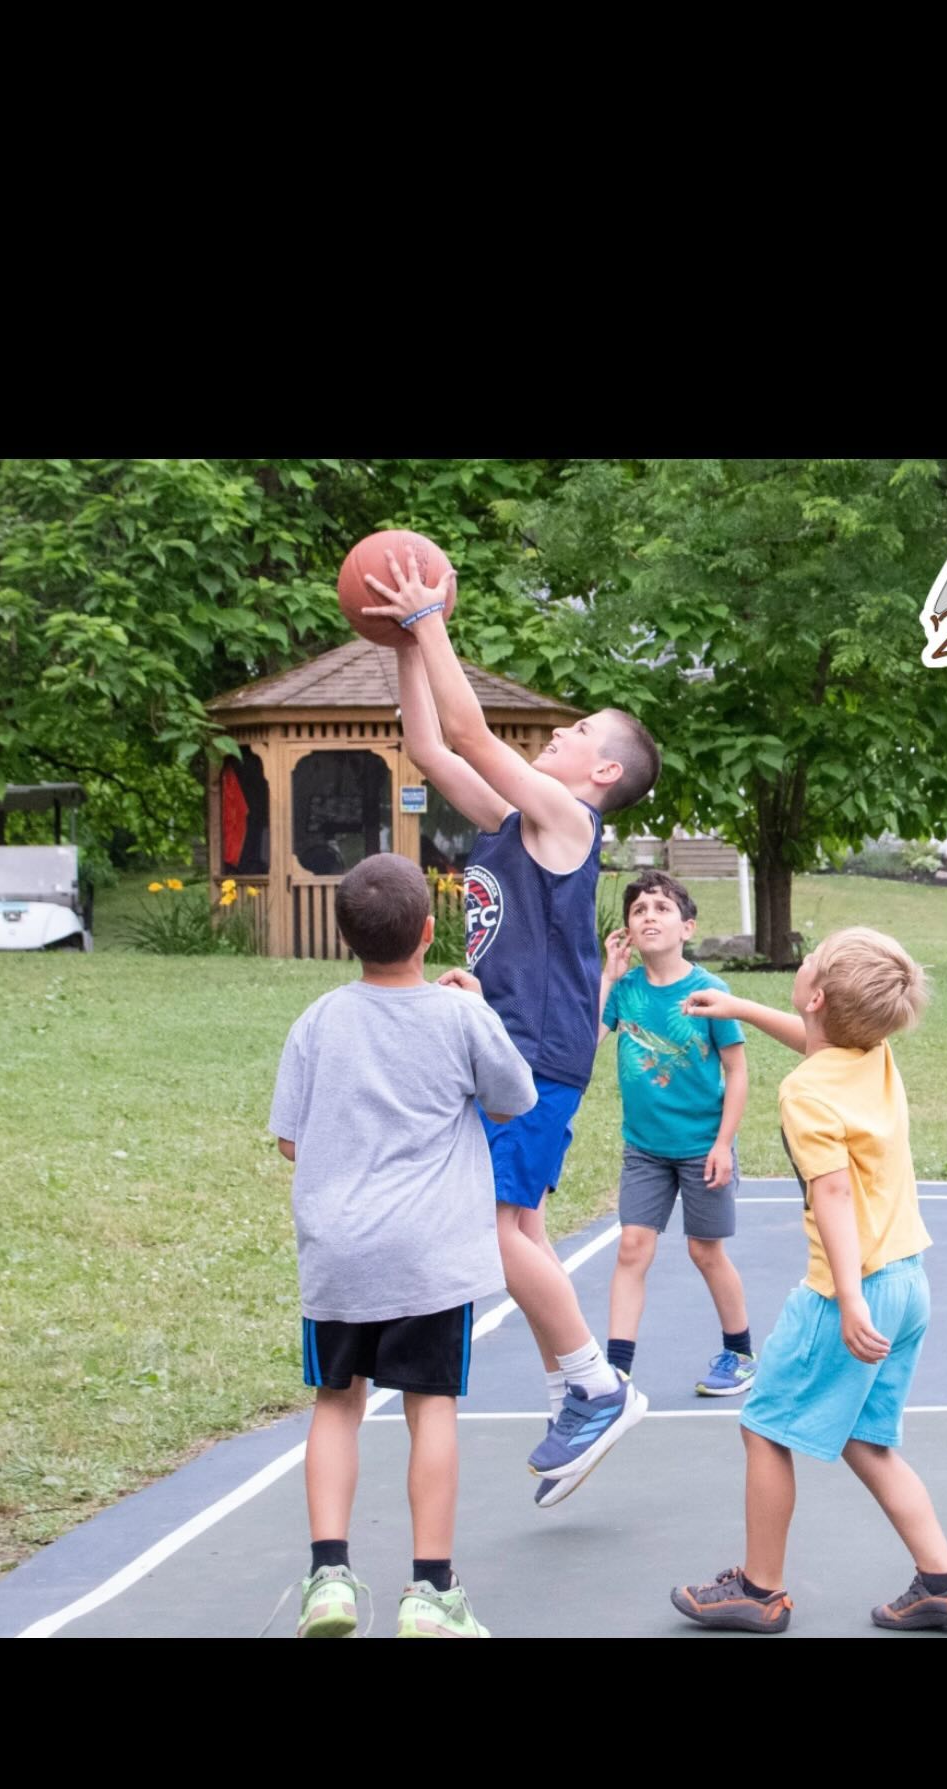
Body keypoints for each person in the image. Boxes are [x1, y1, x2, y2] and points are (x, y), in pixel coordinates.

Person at [363, 548, 662, 1509]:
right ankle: (568, 1392)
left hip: (535, 1049)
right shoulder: (514, 822)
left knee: (490, 1228)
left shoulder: (569, 823)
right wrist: (402, 644)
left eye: (574, 731)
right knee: (518, 1224)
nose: (558, 735)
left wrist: (427, 617)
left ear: (601, 770)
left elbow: (469, 726)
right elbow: (431, 748)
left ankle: (594, 1384)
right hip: (512, 1044)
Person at [670, 928, 947, 1634]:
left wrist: (844, 1297)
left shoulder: (804, 1093)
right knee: (865, 1438)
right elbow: (819, 1044)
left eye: (809, 960)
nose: (804, 960)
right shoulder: (873, 1056)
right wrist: (744, 1009)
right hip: (907, 1283)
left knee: (763, 1426)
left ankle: (759, 1588)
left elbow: (834, 1195)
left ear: (812, 995)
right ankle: (944, 1581)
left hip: (854, 1288)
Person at [269, 853, 536, 1638]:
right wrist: (481, 1006)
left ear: (345, 936)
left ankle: (328, 1578)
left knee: (335, 1405)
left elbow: (290, 1141)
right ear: (429, 932)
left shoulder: (318, 1020)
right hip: (426, 1257)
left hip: (340, 1253)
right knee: (432, 1409)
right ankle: (431, 1590)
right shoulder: (459, 1017)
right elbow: (515, 1098)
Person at [598, 870, 755, 1399]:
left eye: (661, 908)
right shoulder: (626, 990)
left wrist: (722, 1144)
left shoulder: (709, 990)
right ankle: (616, 1370)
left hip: (701, 1146)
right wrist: (607, 976)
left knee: (705, 1251)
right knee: (632, 1248)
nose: (648, 917)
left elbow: (736, 1071)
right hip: (644, 1147)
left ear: (686, 927)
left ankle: (739, 1353)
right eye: (639, 910)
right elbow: (587, 1040)